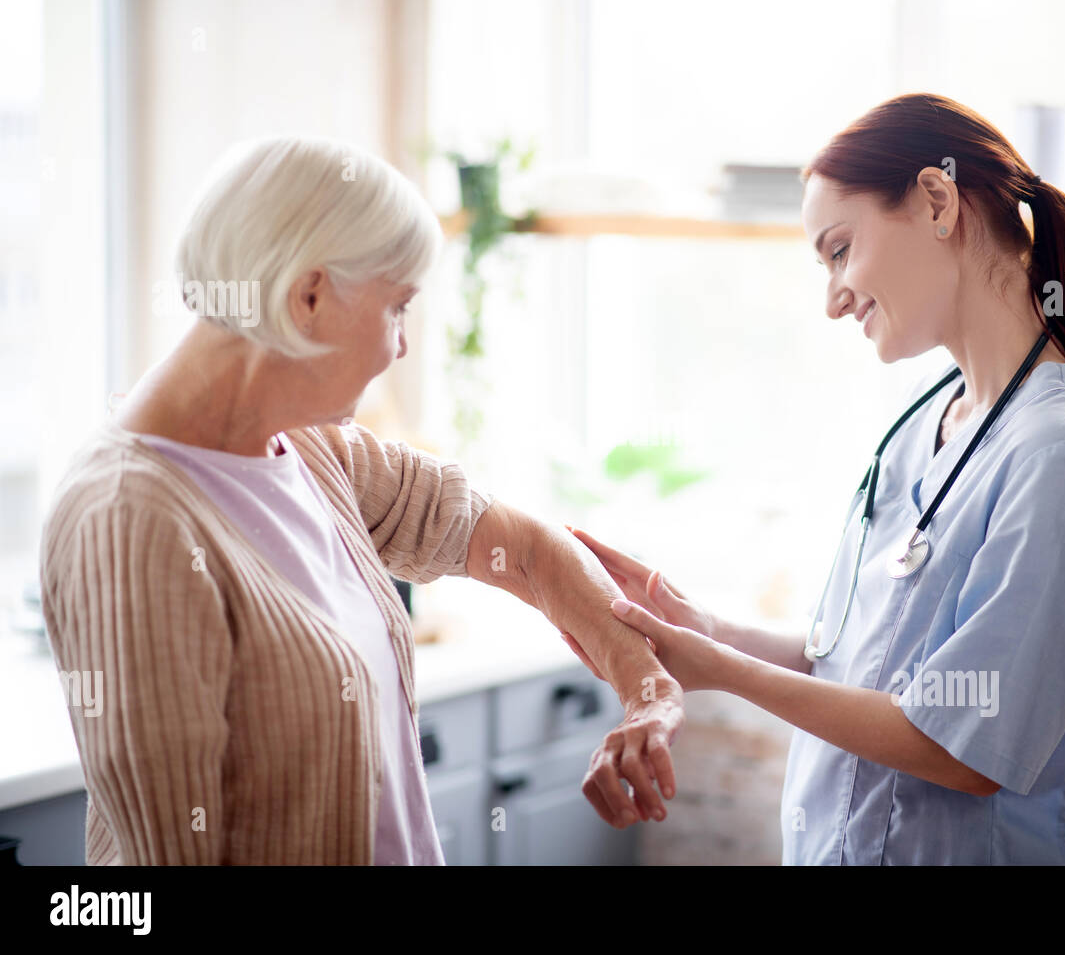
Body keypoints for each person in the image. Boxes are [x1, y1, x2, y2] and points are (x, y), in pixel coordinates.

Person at [38, 136, 680, 865]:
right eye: (398, 308)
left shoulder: (308, 449)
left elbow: (522, 548)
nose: (400, 348)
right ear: (309, 296)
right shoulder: (131, 518)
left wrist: (646, 689)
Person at [567, 92, 1065, 865]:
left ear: (938, 200)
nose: (833, 298)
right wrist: (709, 633)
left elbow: (968, 751)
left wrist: (725, 671)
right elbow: (854, 662)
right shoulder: (922, 429)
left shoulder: (1063, 456)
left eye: (840, 250)